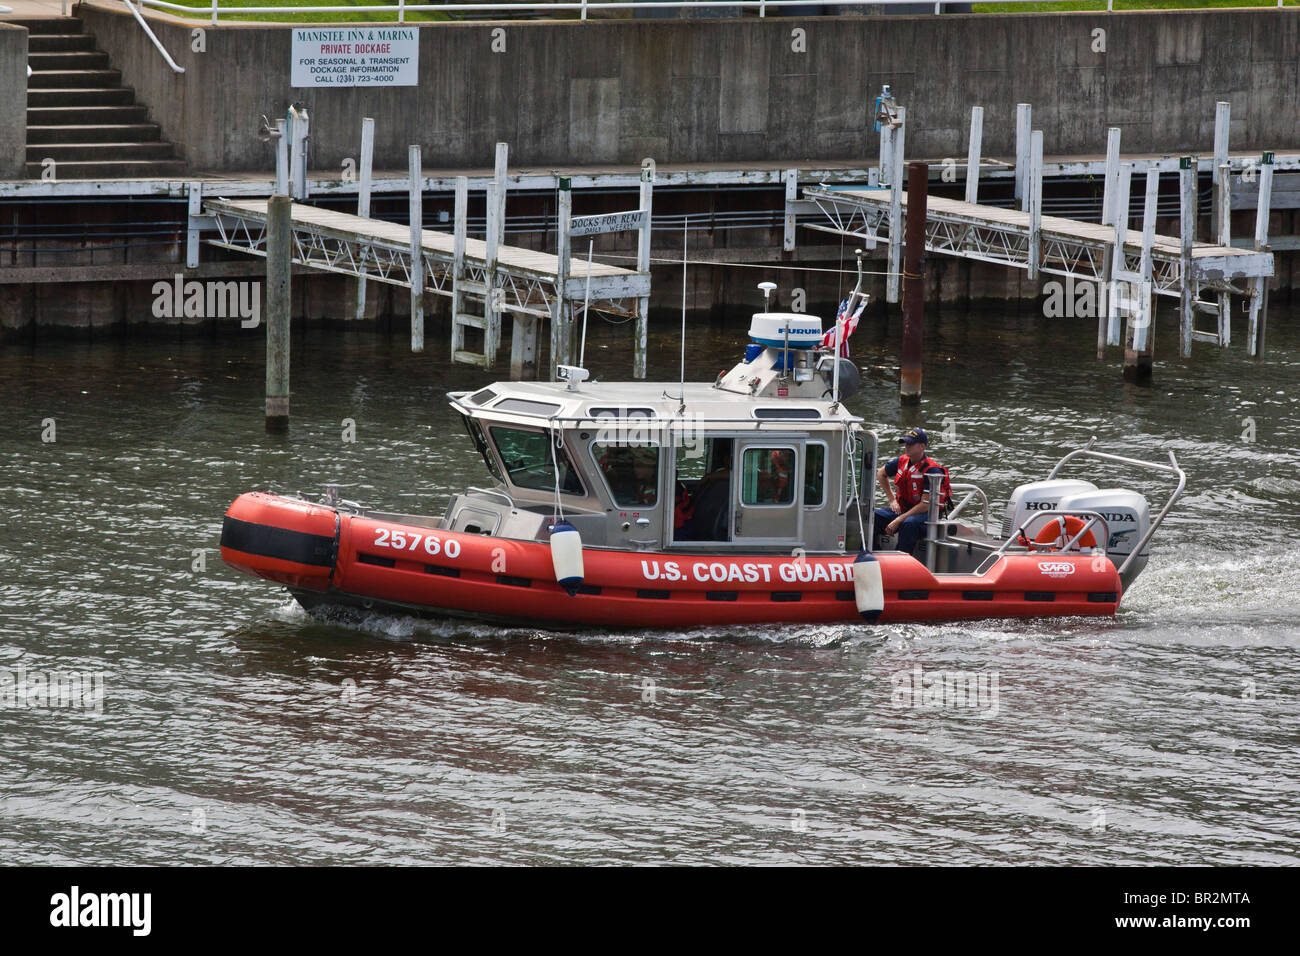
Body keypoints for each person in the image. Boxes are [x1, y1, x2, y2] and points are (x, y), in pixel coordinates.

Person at [874, 427, 952, 557]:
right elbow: (881, 474)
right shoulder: (901, 461)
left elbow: (925, 505)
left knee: (908, 524)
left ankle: (901, 560)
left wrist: (899, 519)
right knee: (873, 516)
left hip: (925, 515)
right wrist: (892, 500)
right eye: (906, 443)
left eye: (911, 444)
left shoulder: (932, 470)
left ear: (922, 446)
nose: (907, 446)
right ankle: (871, 553)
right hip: (905, 510)